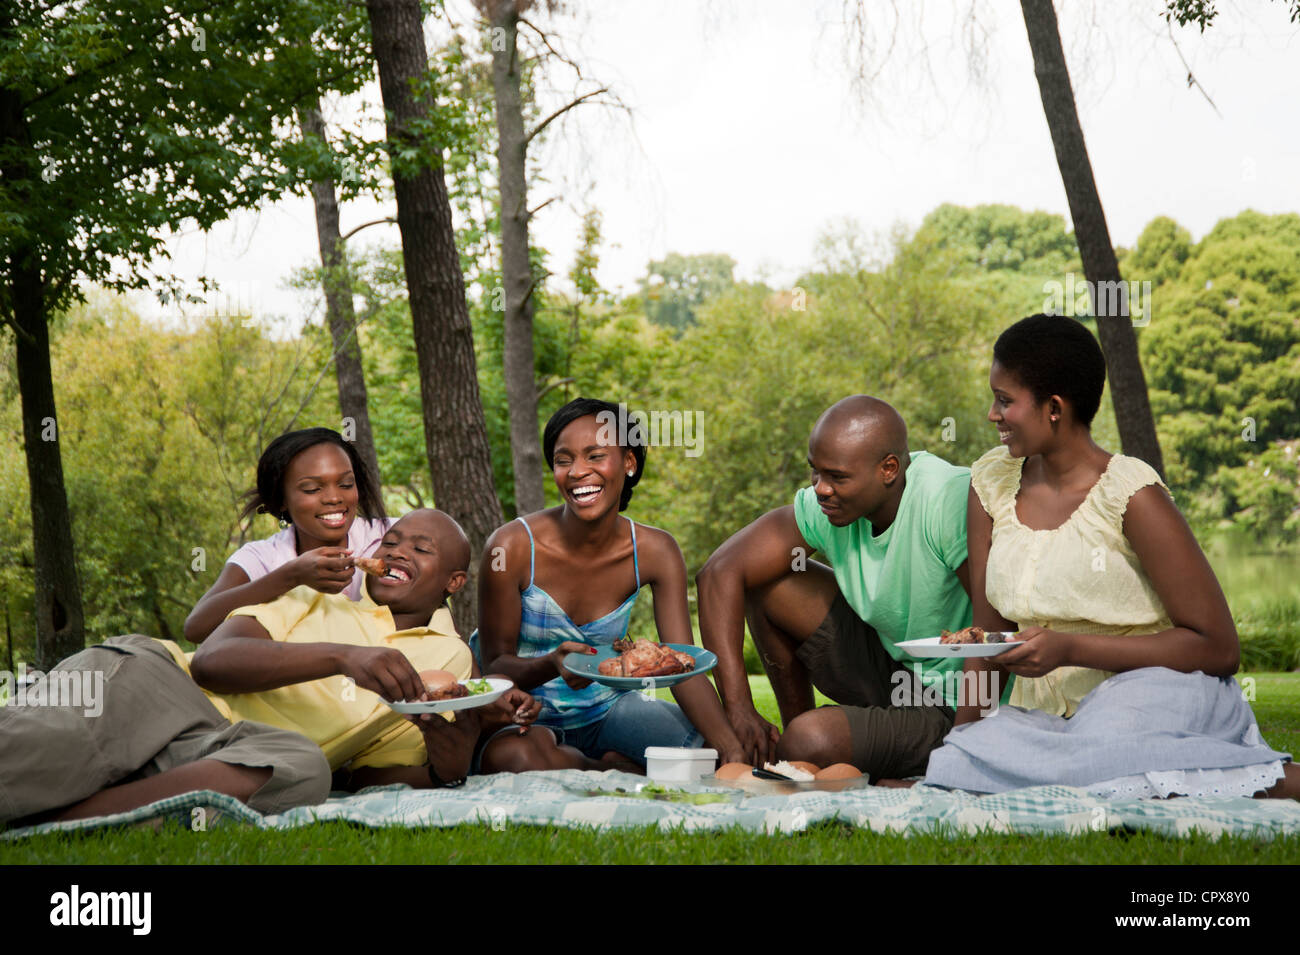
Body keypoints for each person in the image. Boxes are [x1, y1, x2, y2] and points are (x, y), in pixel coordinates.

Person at [922, 314, 1297, 799]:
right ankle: (1147, 776)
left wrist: (1070, 647)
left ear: (1053, 407)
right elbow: (985, 642)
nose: (993, 415)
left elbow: (1219, 648)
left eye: (1004, 400)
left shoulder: (1131, 494)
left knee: (1104, 750)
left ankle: (1263, 780)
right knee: (963, 762)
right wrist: (964, 739)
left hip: (1152, 694)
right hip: (1049, 722)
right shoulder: (990, 483)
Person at [0, 509, 541, 827]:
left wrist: (452, 756)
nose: (396, 552)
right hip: (159, 688)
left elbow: (368, 774)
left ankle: (72, 818)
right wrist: (343, 657)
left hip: (226, 747)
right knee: (35, 750)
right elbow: (212, 661)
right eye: (391, 541)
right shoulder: (315, 600)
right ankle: (50, 801)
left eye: (420, 549)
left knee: (307, 769)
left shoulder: (451, 662)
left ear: (453, 582)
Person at [697, 395, 977, 779]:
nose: (821, 489)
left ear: (888, 469)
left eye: (837, 477)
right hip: (892, 669)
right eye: (815, 472)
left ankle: (811, 747)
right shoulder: (827, 504)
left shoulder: (945, 499)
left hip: (957, 703)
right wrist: (738, 708)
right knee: (771, 582)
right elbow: (719, 572)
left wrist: (968, 749)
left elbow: (999, 629)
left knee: (812, 740)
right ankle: (797, 751)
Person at [474, 397, 745, 770]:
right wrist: (552, 664)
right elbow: (494, 665)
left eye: (595, 456)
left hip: (608, 709)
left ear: (629, 463)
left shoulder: (656, 551)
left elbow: (681, 665)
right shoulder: (511, 547)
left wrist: (730, 749)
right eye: (563, 460)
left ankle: (592, 762)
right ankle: (604, 767)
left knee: (702, 755)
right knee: (519, 762)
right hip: (526, 714)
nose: (576, 472)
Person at [184, 427, 395, 643]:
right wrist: (291, 577)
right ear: (282, 498)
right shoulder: (262, 558)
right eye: (312, 489)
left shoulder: (391, 536)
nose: (334, 498)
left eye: (346, 484)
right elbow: (196, 628)